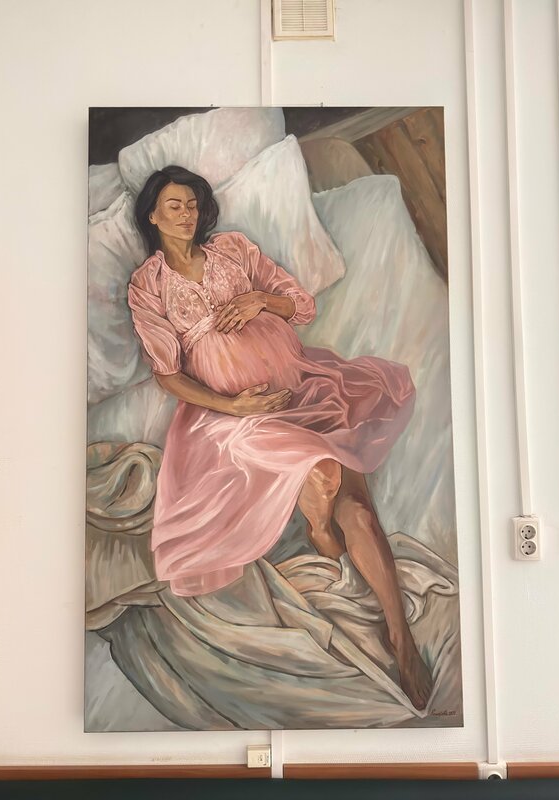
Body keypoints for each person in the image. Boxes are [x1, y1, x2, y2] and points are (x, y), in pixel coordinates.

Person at [127, 165, 433, 710]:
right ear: (152, 215)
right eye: (174, 205)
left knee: (358, 508)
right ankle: (321, 530)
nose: (187, 214)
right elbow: (168, 374)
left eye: (192, 204)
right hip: (231, 419)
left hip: (303, 388)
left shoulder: (234, 249)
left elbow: (302, 305)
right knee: (326, 475)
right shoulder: (147, 285)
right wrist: (232, 405)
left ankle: (400, 638)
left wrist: (260, 302)